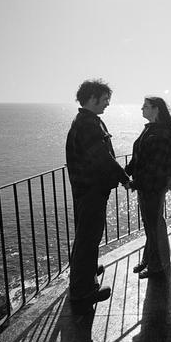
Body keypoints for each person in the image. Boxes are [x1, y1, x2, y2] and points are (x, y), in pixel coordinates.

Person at [66, 79, 130, 314]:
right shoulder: (89, 125)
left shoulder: (85, 121)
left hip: (86, 189)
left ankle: (86, 273)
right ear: (92, 98)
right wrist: (124, 178)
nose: (107, 105)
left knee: (87, 235)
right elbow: (102, 157)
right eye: (104, 100)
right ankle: (82, 291)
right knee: (88, 237)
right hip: (91, 190)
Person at [126, 96, 171, 280]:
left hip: (153, 187)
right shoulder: (152, 130)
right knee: (151, 224)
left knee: (154, 225)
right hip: (148, 186)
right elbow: (139, 156)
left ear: (156, 109)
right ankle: (149, 258)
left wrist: (134, 182)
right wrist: (127, 172)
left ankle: (157, 265)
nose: (142, 108)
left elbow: (153, 168)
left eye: (146, 106)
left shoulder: (159, 133)